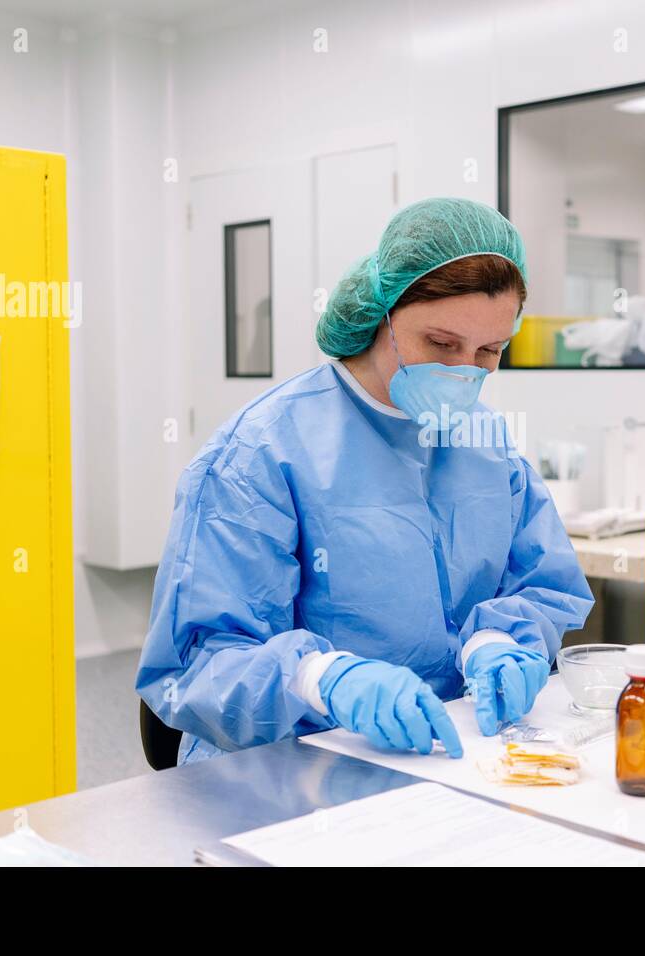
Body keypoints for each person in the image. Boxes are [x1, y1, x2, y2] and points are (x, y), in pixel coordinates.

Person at [137, 197, 594, 765]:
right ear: (380, 315)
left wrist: (498, 638)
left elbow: (542, 581)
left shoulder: (484, 440)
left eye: (489, 351)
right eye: (441, 344)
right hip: (288, 765)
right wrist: (322, 677)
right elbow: (199, 662)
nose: (464, 370)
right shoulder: (261, 451)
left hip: (448, 756)